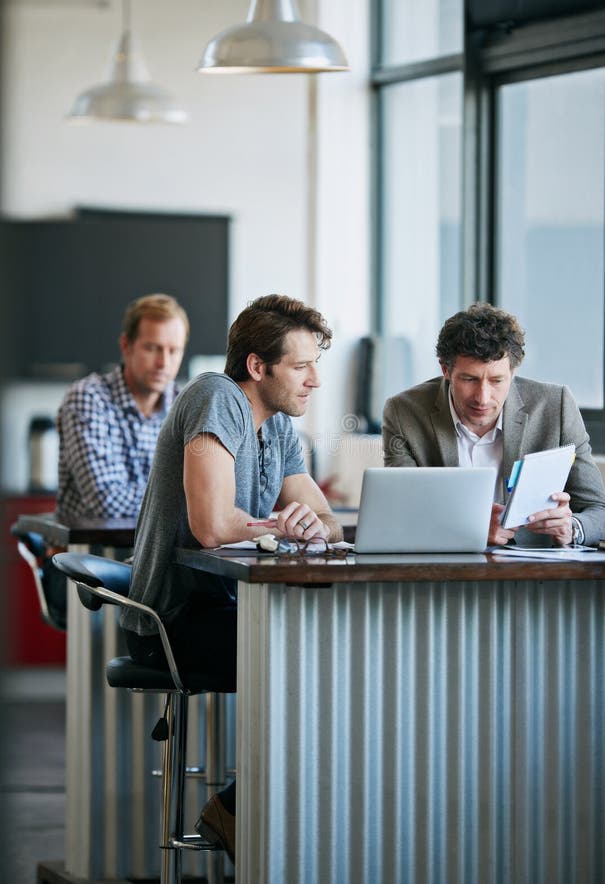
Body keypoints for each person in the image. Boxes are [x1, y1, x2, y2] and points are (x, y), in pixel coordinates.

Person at [121, 293, 343, 862]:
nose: (315, 380)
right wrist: (286, 525)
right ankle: (244, 814)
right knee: (317, 667)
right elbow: (213, 526)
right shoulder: (214, 396)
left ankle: (255, 815)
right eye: (301, 365)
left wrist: (308, 525)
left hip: (232, 612)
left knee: (338, 658)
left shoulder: (282, 429)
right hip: (170, 623)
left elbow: (328, 525)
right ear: (256, 366)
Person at [382, 302, 605, 547]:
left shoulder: (556, 406)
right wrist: (467, 528)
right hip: (446, 570)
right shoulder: (404, 412)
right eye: (469, 379)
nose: (483, 398)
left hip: (536, 575)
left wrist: (571, 529)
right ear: (445, 370)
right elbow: (400, 515)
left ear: (513, 371)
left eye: (497, 380)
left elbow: (599, 510)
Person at [57, 293, 189, 518]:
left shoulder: (184, 406)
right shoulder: (89, 400)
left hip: (154, 550)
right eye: (152, 348)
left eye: (173, 351)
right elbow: (108, 502)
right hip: (90, 550)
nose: (163, 363)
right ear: (126, 345)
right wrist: (190, 498)